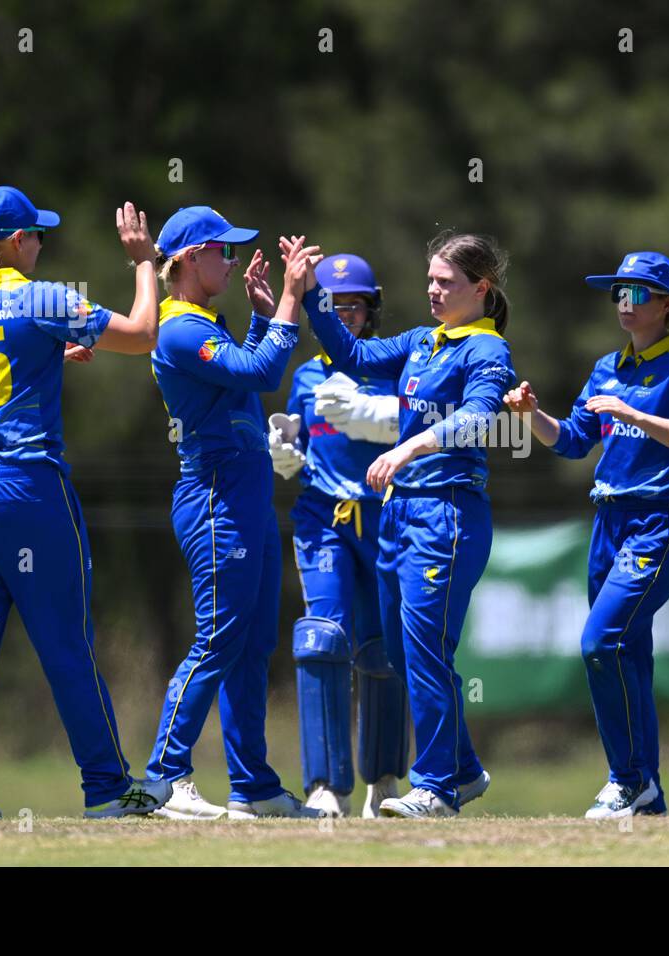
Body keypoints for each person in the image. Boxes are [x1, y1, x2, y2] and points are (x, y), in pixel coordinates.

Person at [0, 186, 170, 819]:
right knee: (66, 642)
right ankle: (109, 789)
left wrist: (44, 355)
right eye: (37, 235)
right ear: (15, 242)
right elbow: (143, 334)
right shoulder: (45, 298)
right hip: (29, 488)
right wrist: (143, 261)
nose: (41, 244)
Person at [292, 232, 515, 818]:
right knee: (396, 648)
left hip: (446, 511)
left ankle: (436, 785)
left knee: (425, 648)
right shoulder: (423, 340)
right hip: (399, 514)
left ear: (480, 289)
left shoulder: (485, 351)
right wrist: (314, 296)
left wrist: (411, 445)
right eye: (431, 279)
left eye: (446, 282)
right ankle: (463, 770)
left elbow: (481, 415)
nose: (433, 290)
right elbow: (356, 356)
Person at [503, 251, 669, 819]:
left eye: (640, 293)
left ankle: (625, 780)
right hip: (607, 523)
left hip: (658, 521)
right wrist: (532, 415)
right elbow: (575, 439)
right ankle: (646, 792)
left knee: (600, 642)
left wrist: (636, 414)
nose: (626, 303)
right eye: (619, 293)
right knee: (630, 657)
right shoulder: (606, 366)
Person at [143, 209, 316, 820]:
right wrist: (293, 299)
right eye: (223, 251)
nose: (233, 261)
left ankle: (254, 787)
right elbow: (264, 371)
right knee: (218, 637)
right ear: (190, 259)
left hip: (247, 495)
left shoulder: (206, 324)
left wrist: (265, 314)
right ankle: (165, 776)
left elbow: (243, 377)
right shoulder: (181, 329)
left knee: (250, 645)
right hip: (215, 497)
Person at [269, 253, 410, 818]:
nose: (344, 315)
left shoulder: (394, 367)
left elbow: (423, 425)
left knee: (380, 650)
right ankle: (326, 785)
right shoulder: (307, 374)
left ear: (370, 310)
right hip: (323, 517)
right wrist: (284, 454)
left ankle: (383, 780)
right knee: (321, 639)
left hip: (383, 514)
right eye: (332, 305)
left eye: (354, 306)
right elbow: (298, 447)